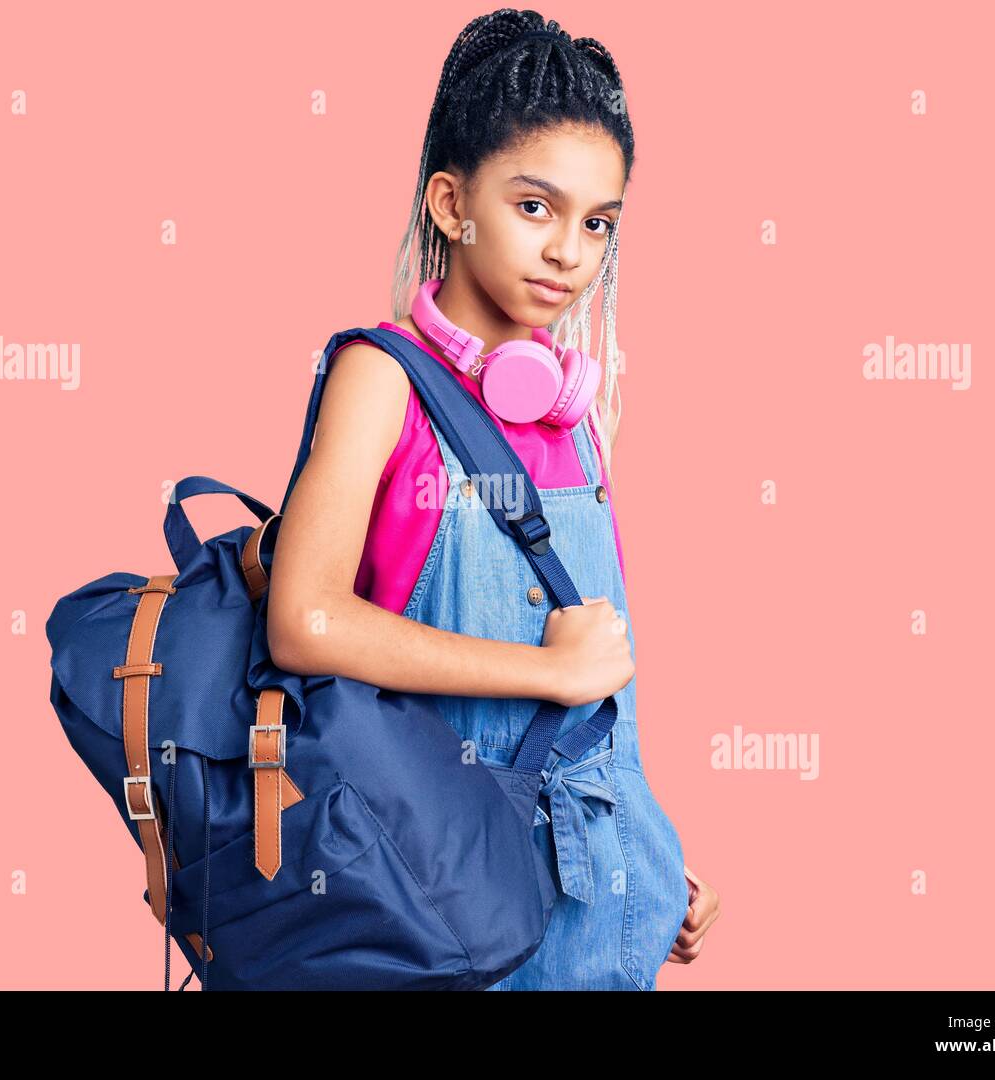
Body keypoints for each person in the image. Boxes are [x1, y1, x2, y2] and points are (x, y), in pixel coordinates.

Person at [268, 9, 719, 989]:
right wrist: (541, 672)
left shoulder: (578, 414)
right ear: (449, 202)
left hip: (604, 904)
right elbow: (301, 622)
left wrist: (650, 854)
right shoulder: (380, 381)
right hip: (447, 914)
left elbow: (600, 695)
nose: (569, 251)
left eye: (598, 222)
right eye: (533, 207)